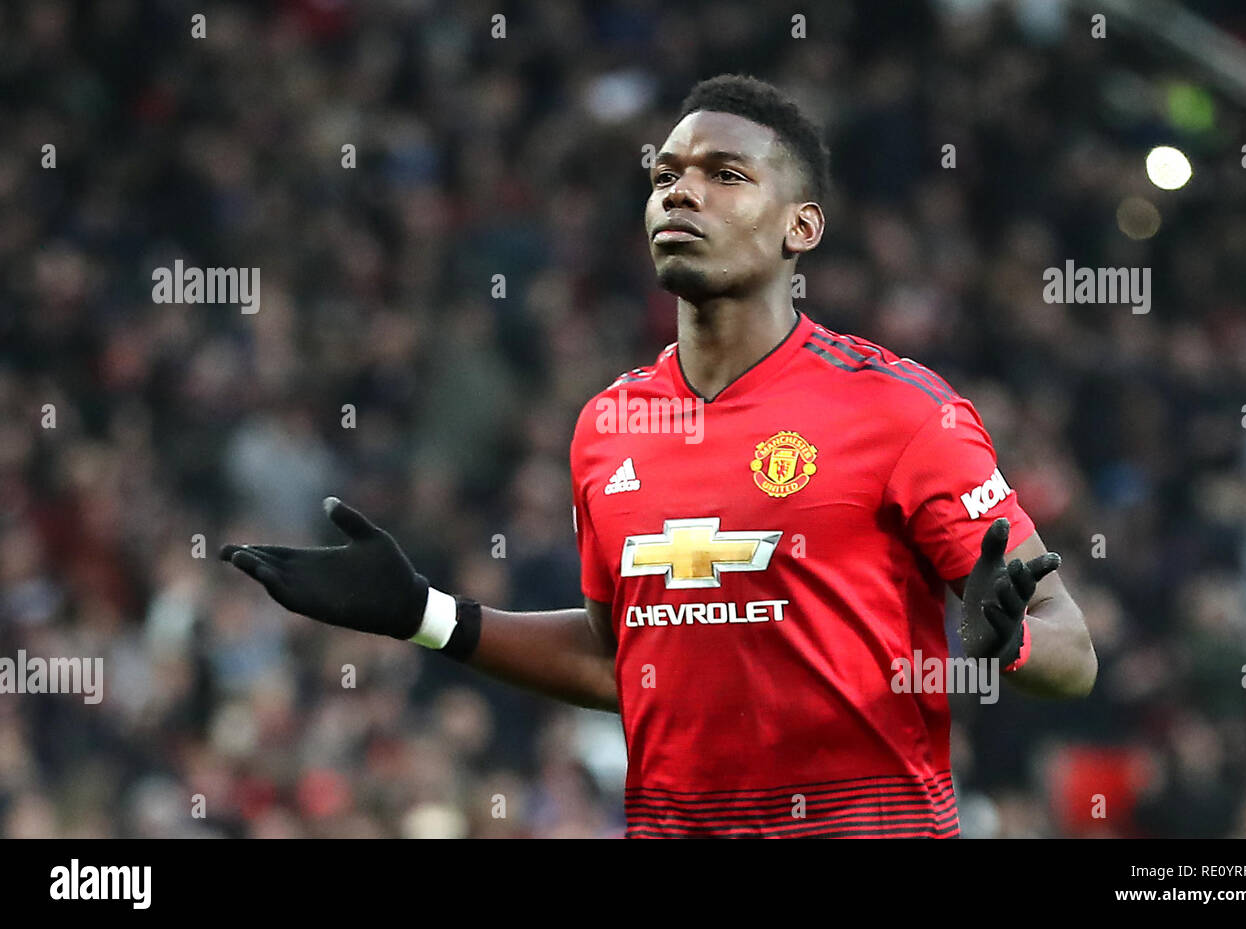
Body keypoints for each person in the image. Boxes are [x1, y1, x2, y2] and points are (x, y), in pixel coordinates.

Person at [221, 74, 1097, 838]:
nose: (682, 193)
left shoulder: (899, 409)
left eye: (724, 176)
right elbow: (624, 660)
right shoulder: (608, 425)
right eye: (666, 175)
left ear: (803, 226)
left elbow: (1073, 651)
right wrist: (424, 612)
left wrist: (1010, 642)